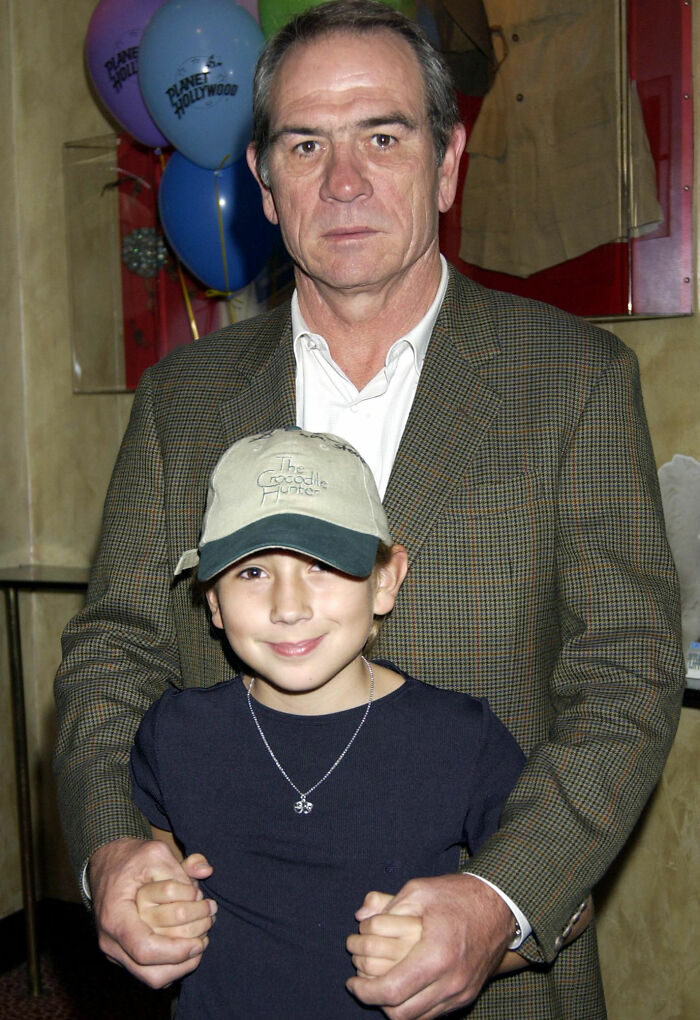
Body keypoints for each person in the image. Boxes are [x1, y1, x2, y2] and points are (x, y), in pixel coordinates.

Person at [53, 2, 685, 1018]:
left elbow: (626, 675)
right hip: (237, 976)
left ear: (445, 162)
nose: (344, 181)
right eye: (306, 143)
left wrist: (498, 898)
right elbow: (112, 655)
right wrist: (113, 851)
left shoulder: (575, 382)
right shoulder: (182, 401)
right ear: (262, 182)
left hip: (496, 990)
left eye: (382, 137)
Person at [127, 425, 540, 1017]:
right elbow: (157, 868)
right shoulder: (175, 733)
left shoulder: (459, 737)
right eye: (251, 572)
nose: (288, 606)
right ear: (212, 599)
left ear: (386, 581)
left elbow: (562, 904)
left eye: (322, 564)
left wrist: (473, 948)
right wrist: (161, 908)